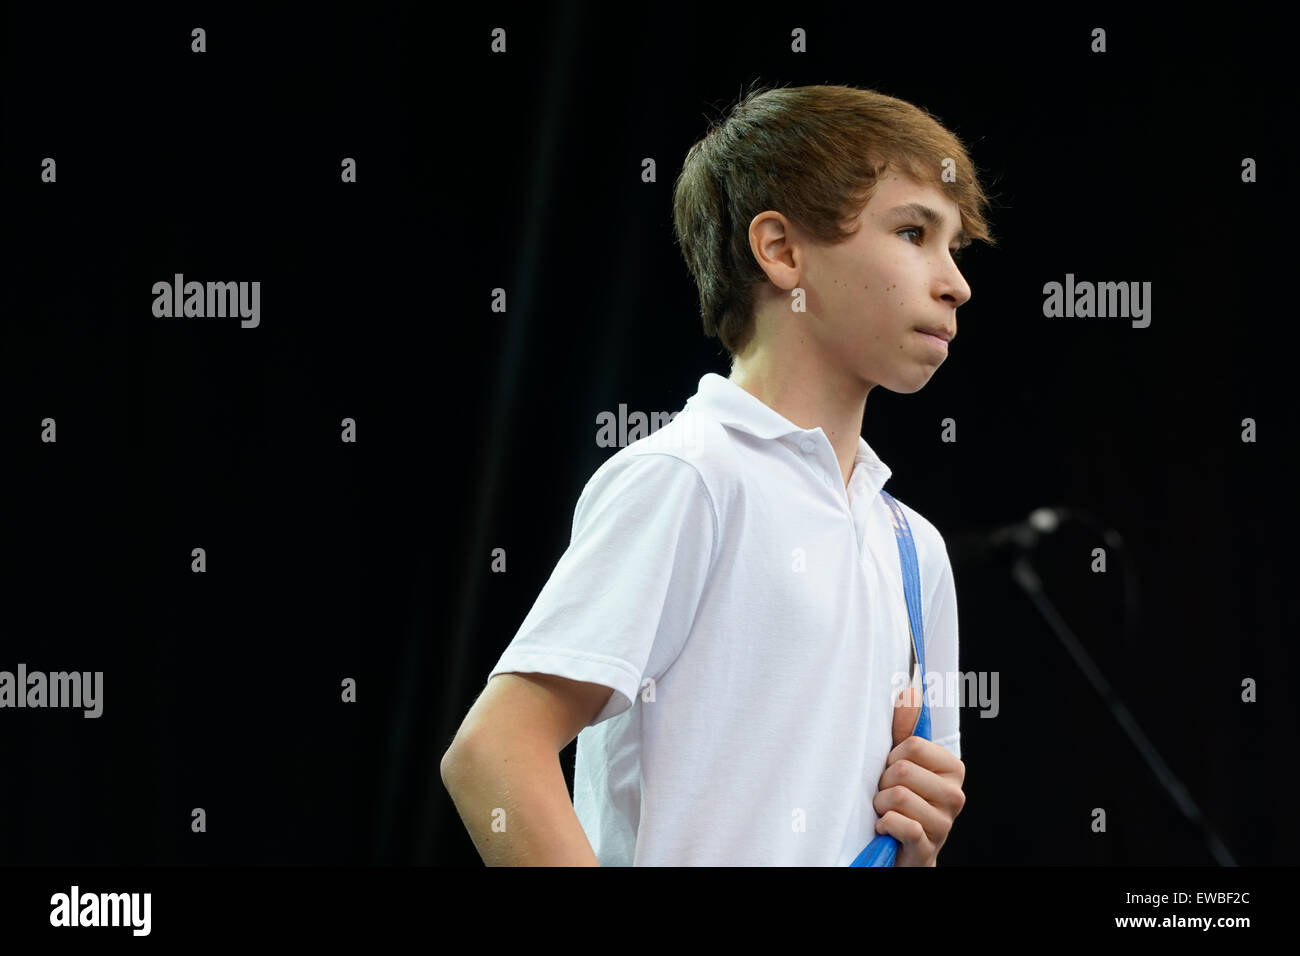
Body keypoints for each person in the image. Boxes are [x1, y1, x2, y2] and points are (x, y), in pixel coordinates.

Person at [441, 83, 997, 866]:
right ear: (781, 251)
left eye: (956, 250)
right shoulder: (691, 477)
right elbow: (493, 753)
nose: (955, 283)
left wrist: (918, 842)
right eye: (913, 232)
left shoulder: (916, 549)